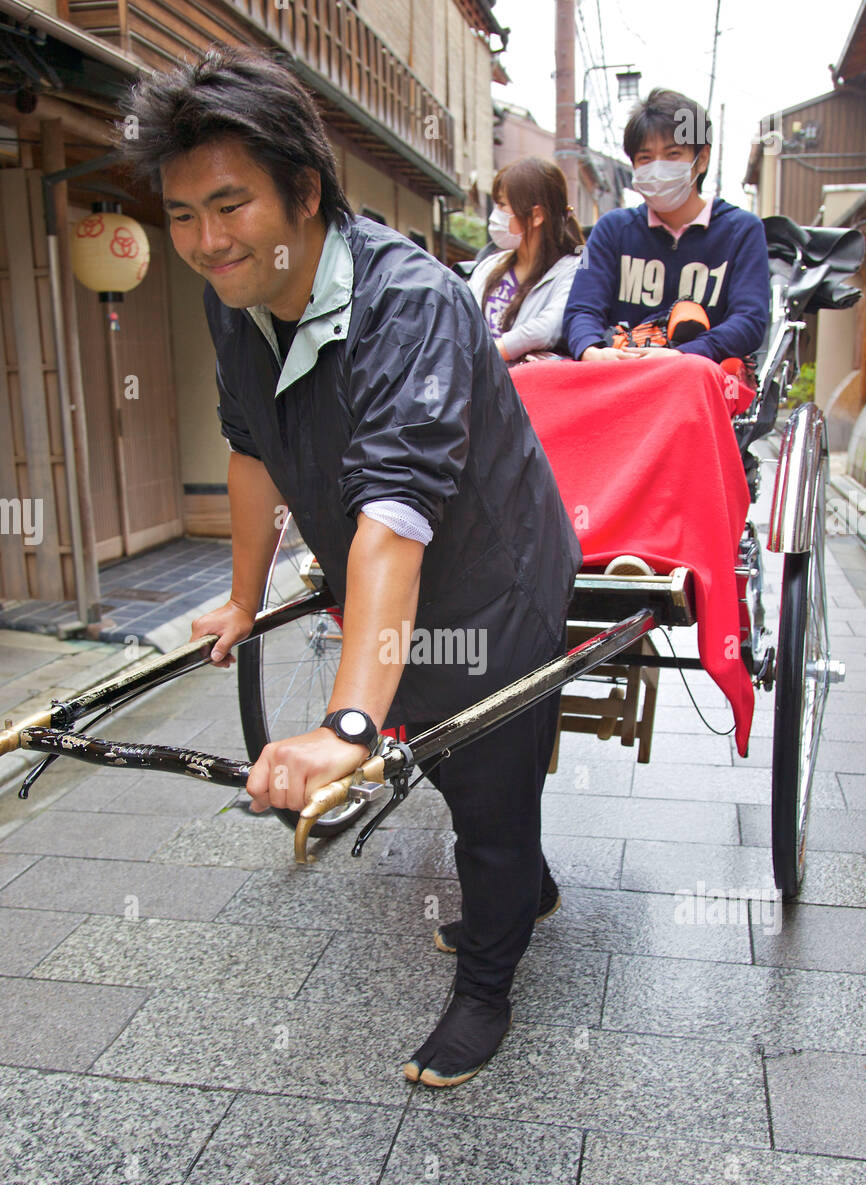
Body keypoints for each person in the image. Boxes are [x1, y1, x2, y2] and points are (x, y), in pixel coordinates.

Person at [119, 46, 581, 1089]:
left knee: (482, 779)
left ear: (304, 191)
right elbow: (248, 451)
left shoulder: (409, 302)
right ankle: (526, 884)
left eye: (227, 206)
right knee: (453, 761)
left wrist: (346, 725)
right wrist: (239, 599)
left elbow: (392, 523)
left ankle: (487, 984)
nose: (203, 241)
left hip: (490, 576)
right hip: (391, 580)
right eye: (182, 215)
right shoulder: (231, 297)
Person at [563, 87, 769, 366]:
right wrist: (592, 349)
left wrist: (682, 355)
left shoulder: (742, 231)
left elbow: (749, 320)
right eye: (645, 158)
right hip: (619, 372)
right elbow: (580, 309)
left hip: (697, 375)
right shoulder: (610, 230)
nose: (657, 168)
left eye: (673, 154)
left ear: (702, 159)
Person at [467, 157, 583, 364]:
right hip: (476, 385)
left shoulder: (573, 270)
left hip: (524, 389)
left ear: (536, 215)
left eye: (503, 205)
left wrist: (489, 354)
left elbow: (547, 328)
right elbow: (462, 315)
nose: (495, 215)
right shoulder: (489, 265)